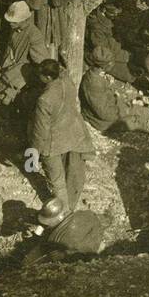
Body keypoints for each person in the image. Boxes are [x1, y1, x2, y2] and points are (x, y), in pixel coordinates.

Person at [31, 58, 95, 213]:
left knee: (57, 181)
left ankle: (64, 213)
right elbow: (64, 72)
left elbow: (40, 131)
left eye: (41, 76)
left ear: (47, 78)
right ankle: (72, 202)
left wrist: (34, 152)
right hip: (72, 133)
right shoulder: (68, 82)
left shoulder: (44, 100)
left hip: (54, 142)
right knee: (71, 169)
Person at [80, 46, 149, 135]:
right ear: (103, 65)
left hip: (111, 108)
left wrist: (125, 103)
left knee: (136, 106)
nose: (113, 64)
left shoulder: (96, 74)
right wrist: (126, 109)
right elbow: (105, 114)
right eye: (110, 62)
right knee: (137, 120)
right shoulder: (94, 83)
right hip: (103, 122)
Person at [0, 0, 54, 104]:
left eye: (14, 21)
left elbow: (43, 62)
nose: (10, 23)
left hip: (23, 72)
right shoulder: (15, 28)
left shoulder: (34, 36)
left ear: (24, 20)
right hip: (11, 65)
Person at [21, 198, 104, 265]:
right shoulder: (86, 213)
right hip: (95, 244)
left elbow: (43, 251)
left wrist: (34, 237)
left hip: (78, 260)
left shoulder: (55, 239)